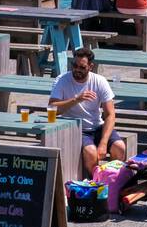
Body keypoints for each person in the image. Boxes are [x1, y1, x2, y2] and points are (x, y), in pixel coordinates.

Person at [48, 47, 123, 179]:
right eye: (74, 65)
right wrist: (76, 99)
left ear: (90, 67)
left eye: (82, 67)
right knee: (91, 152)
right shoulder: (62, 80)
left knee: (119, 147)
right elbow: (52, 108)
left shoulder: (99, 81)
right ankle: (95, 184)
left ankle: (113, 182)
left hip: (97, 126)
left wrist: (104, 143)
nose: (77, 69)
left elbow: (110, 114)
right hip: (76, 128)